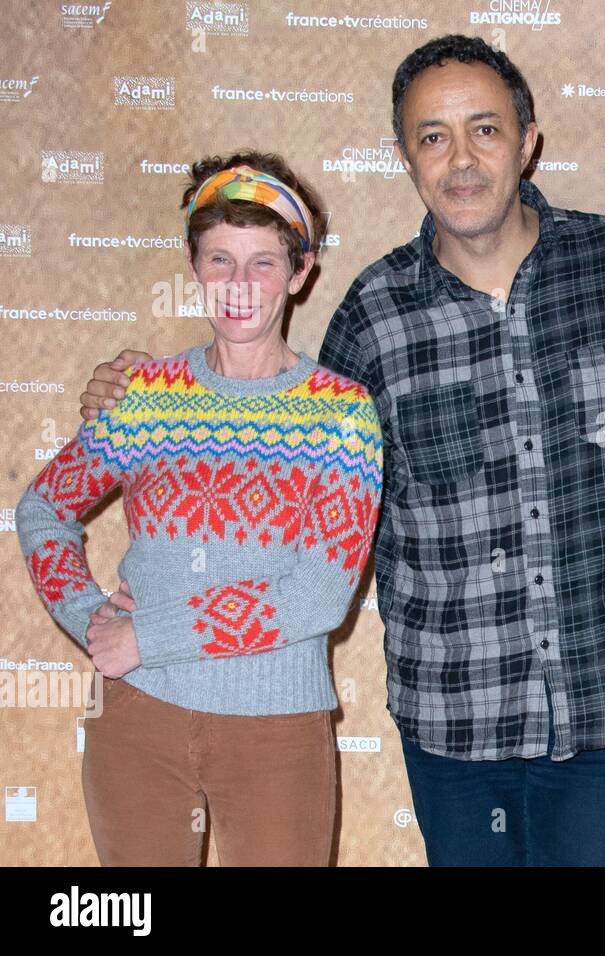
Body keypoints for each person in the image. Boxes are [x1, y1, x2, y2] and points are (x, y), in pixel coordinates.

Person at [75, 37, 605, 866]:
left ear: (526, 142)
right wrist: (146, 401)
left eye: (485, 129)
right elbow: (282, 453)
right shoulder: (373, 316)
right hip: (456, 720)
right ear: (405, 157)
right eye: (433, 136)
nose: (461, 159)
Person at [18, 152, 383, 866]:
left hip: (278, 730)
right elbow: (41, 511)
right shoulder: (146, 397)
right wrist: (89, 616)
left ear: (300, 272)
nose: (239, 286)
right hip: (136, 721)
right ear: (193, 266)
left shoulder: (342, 413)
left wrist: (149, 634)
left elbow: (318, 596)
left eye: (263, 263)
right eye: (221, 259)